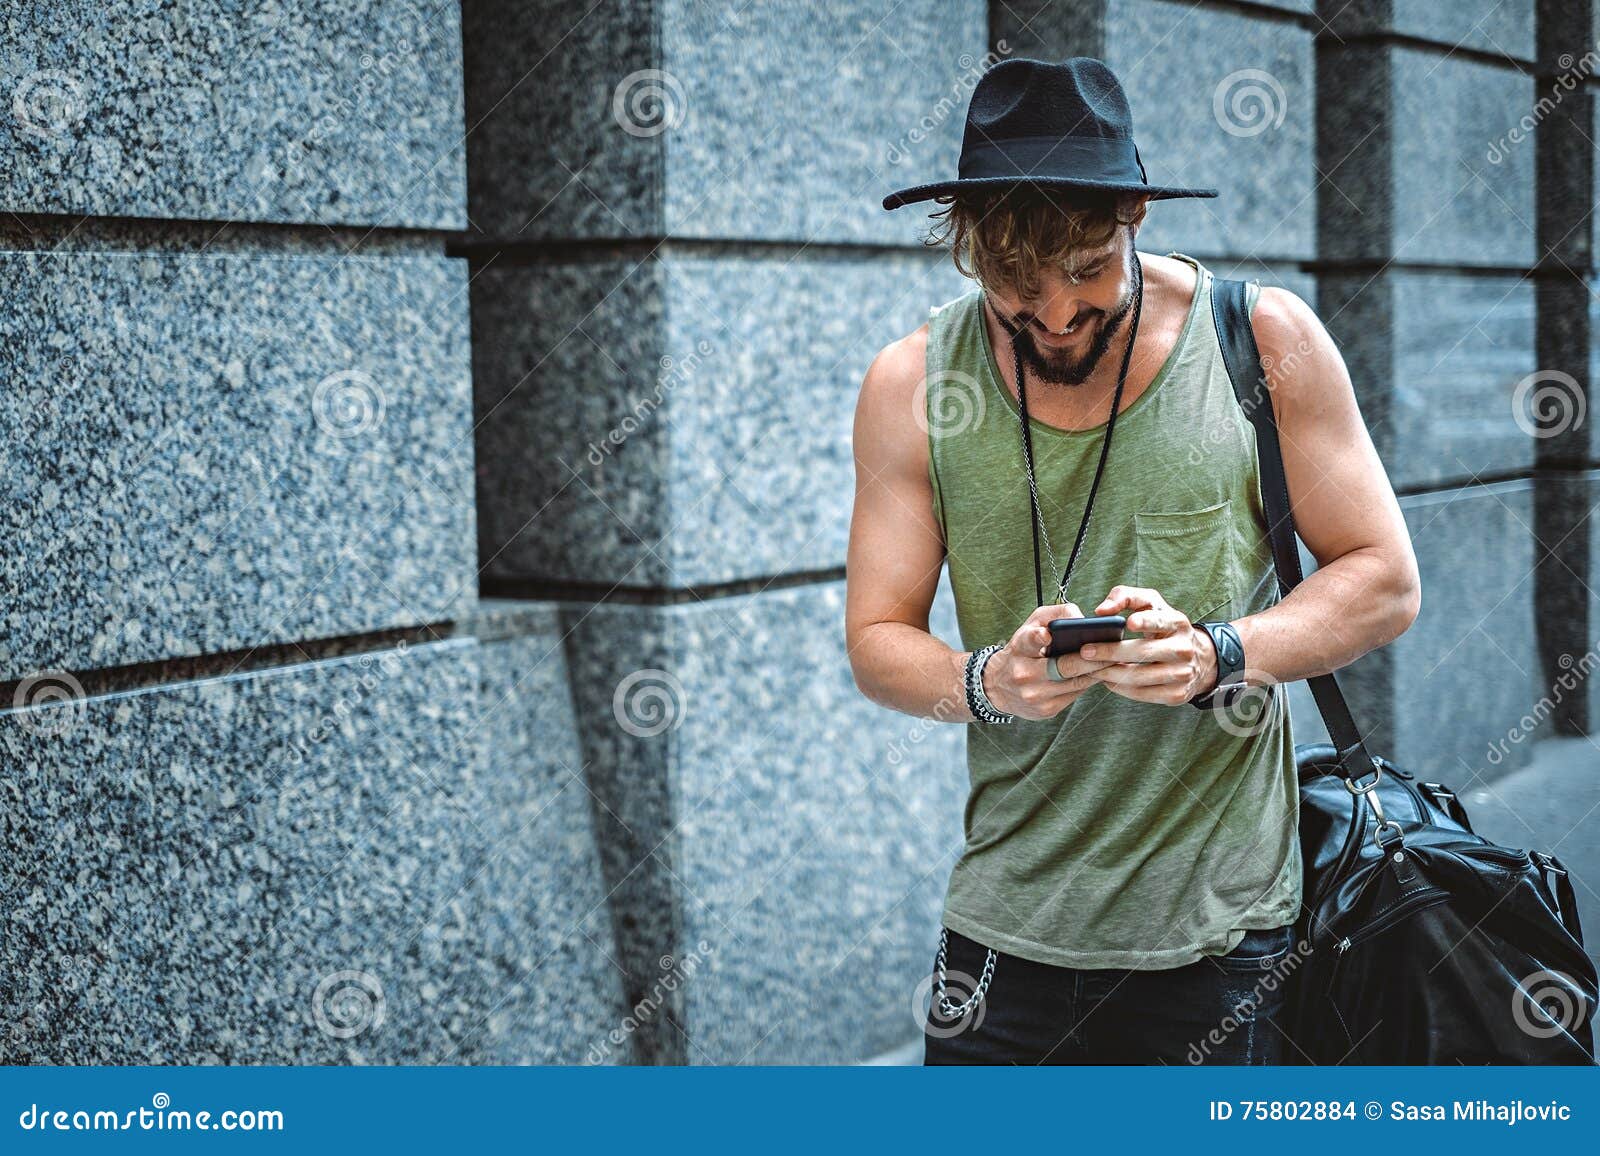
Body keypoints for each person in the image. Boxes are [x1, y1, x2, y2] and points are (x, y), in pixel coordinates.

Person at [845, 57, 1420, 1064]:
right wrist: (988, 681)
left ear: (1133, 217)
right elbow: (876, 640)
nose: (1057, 314)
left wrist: (1219, 651)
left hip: (1221, 933)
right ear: (968, 250)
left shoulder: (1261, 338)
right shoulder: (911, 383)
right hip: (1000, 932)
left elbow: (1382, 578)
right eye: (1017, 282)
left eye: (1084, 270)